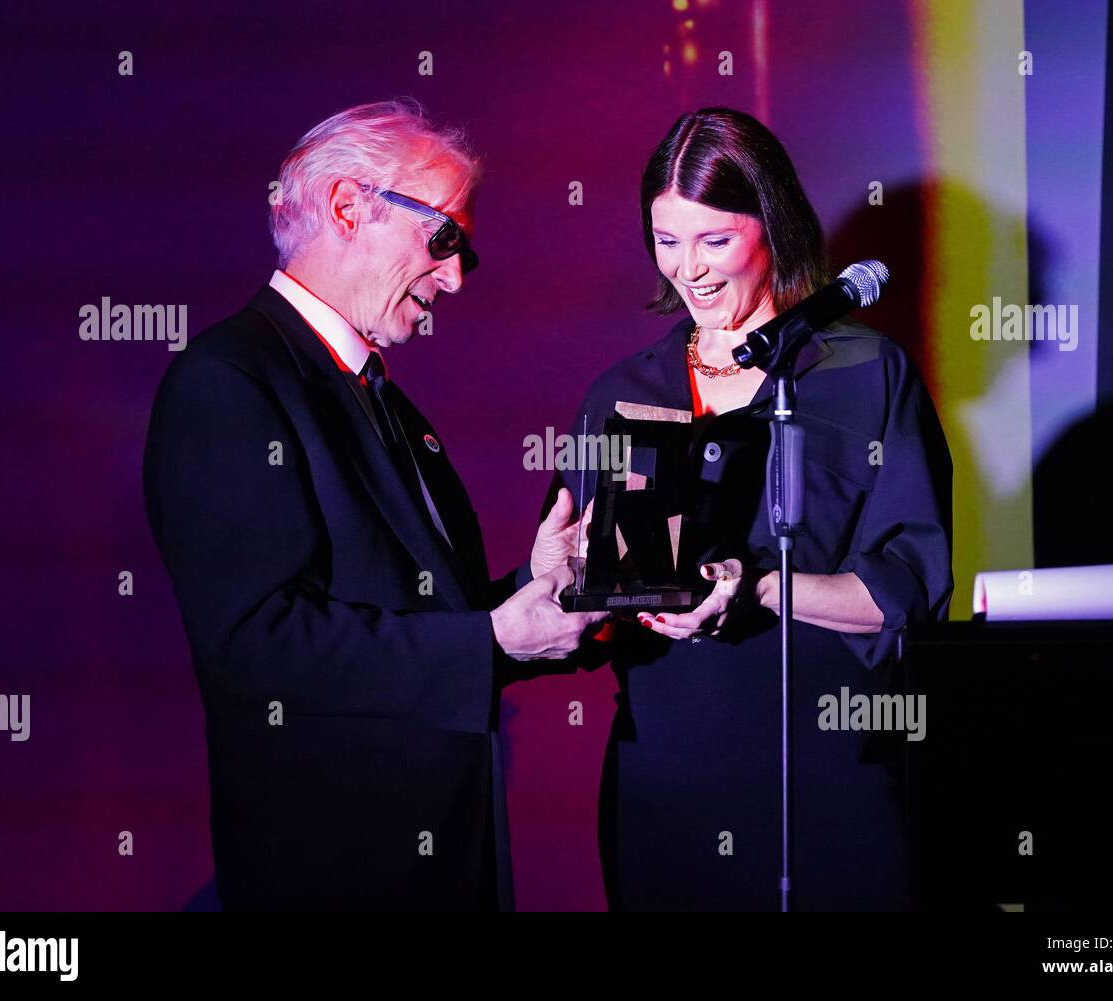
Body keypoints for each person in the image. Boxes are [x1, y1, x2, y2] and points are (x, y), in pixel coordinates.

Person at [143, 99, 603, 911]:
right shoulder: (230, 380)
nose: (457, 276)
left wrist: (541, 594)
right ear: (349, 208)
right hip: (338, 876)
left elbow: (410, 611)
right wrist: (494, 636)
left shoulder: (372, 389)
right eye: (443, 238)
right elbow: (256, 641)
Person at [550, 107, 953, 911]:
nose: (687, 271)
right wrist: (560, 579)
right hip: (668, 783)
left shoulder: (866, 375)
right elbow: (589, 618)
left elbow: (911, 589)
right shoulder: (625, 393)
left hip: (832, 774)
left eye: (714, 241)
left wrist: (763, 584)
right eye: (666, 241)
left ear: (772, 225)